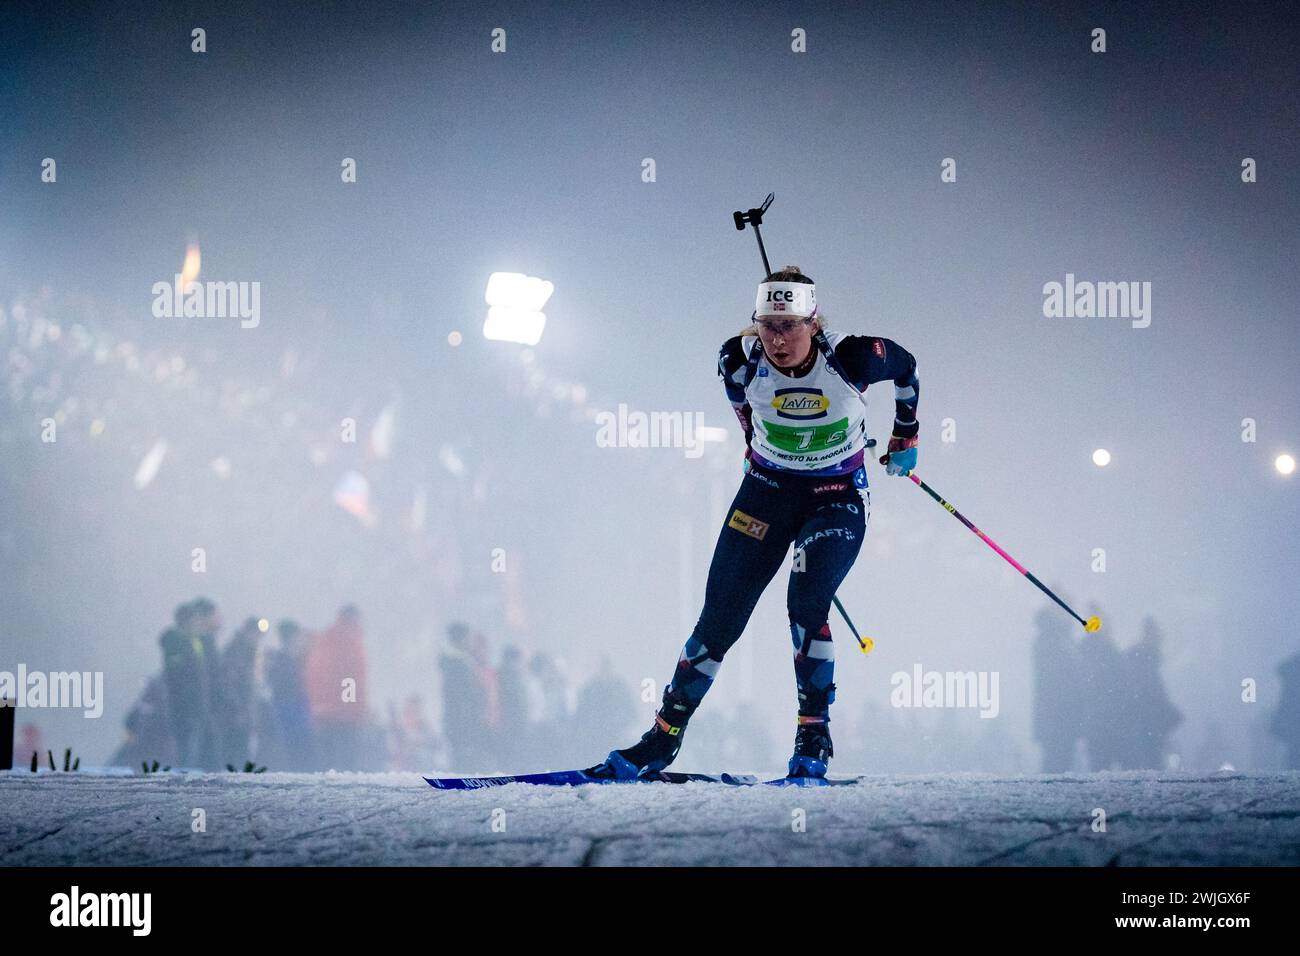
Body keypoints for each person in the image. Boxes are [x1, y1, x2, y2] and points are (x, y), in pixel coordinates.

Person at [588, 266, 920, 780]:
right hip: (767, 492)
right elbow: (743, 408)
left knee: (806, 602)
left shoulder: (853, 356)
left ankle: (813, 735)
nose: (778, 339)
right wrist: (752, 446)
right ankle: (662, 738)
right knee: (719, 617)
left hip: (836, 497)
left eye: (789, 326)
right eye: (767, 325)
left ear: (813, 322)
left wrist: (906, 436)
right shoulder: (738, 357)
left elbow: (908, 368)